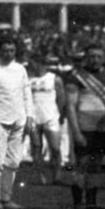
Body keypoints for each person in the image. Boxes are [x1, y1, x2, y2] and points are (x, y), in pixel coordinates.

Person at [0, 36, 34, 209]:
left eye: (11, 50)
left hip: (18, 119)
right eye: (5, 50)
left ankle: (6, 197)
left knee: (14, 161)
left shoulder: (20, 69)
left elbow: (26, 94)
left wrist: (30, 116)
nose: (8, 54)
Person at [65, 42, 105, 209]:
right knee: (81, 166)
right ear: (85, 58)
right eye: (91, 56)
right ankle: (77, 203)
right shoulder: (76, 77)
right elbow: (70, 106)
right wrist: (76, 132)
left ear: (104, 58)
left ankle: (91, 203)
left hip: (104, 130)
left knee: (96, 167)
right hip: (84, 128)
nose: (95, 60)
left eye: (98, 56)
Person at [27, 53, 67, 186]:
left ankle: (57, 176)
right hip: (34, 118)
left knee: (55, 148)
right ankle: (40, 176)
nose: (29, 65)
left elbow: (61, 98)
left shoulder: (54, 79)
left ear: (38, 63)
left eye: (31, 62)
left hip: (51, 117)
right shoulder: (28, 79)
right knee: (36, 148)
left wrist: (59, 114)